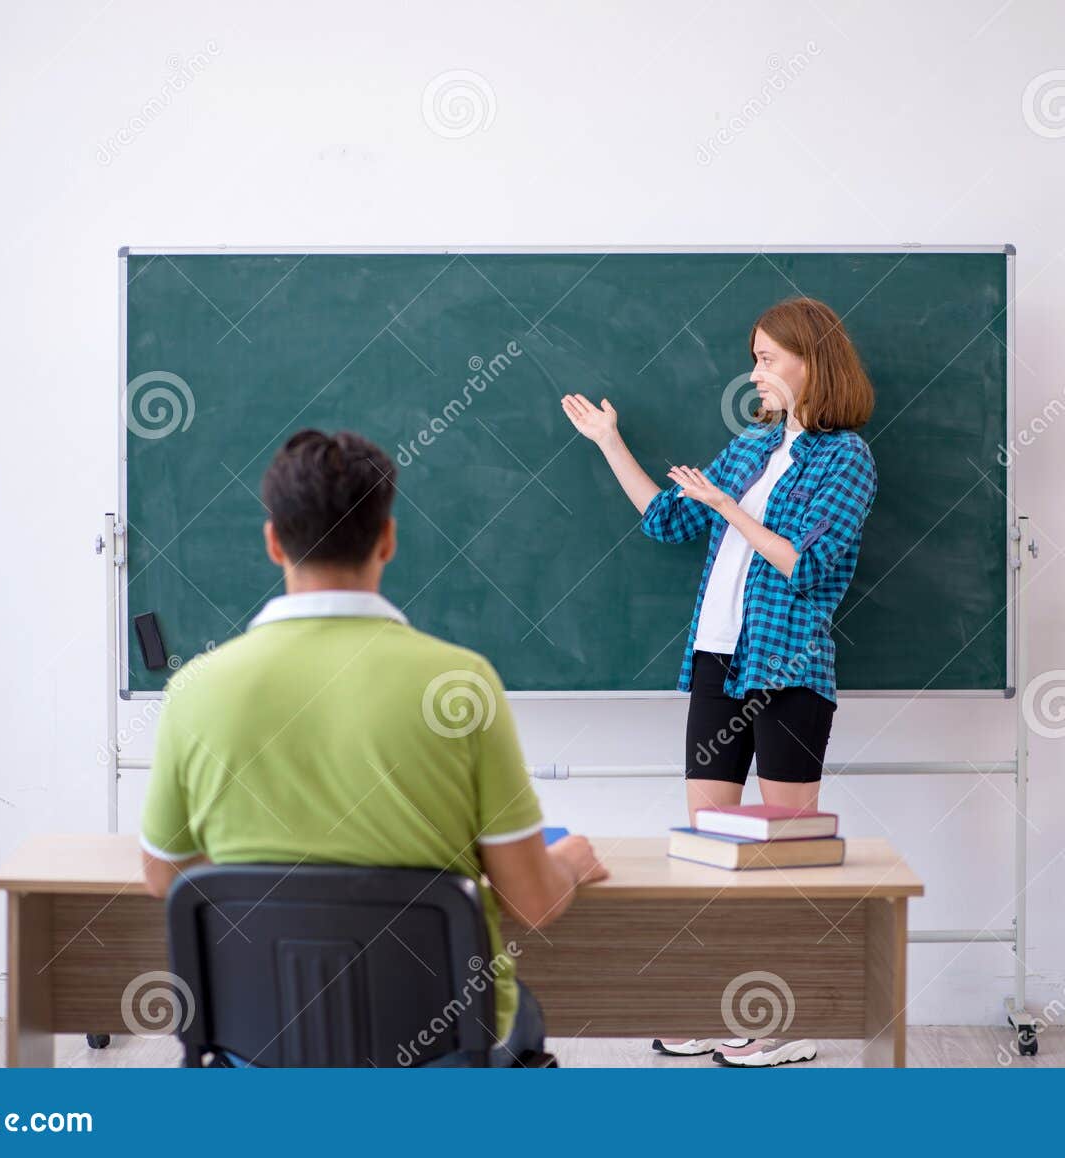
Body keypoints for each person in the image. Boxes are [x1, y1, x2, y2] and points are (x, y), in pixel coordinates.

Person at [138, 428, 607, 1066]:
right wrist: (571, 862)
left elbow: (166, 876)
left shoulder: (194, 689)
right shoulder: (459, 684)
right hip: (438, 1054)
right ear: (388, 539)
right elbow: (534, 901)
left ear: (274, 541)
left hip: (260, 1051)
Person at [560, 296, 876, 1067]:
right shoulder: (752, 445)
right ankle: (718, 1004)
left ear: (813, 363)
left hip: (789, 668)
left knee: (781, 852)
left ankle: (786, 1014)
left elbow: (809, 565)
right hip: (718, 660)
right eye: (756, 355)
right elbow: (668, 519)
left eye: (768, 357)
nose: (755, 370)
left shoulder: (848, 459)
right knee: (709, 847)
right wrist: (610, 442)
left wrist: (730, 508)